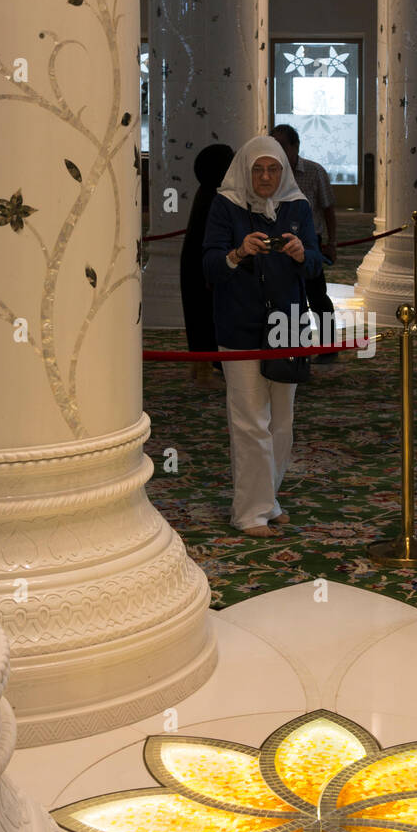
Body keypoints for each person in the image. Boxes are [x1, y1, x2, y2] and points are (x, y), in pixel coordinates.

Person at [202, 136, 324, 536]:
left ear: (283, 171)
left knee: (282, 421)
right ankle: (249, 512)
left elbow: (316, 266)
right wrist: (237, 254)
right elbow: (209, 266)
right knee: (251, 420)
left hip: (286, 325)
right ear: (245, 170)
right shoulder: (226, 205)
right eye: (258, 169)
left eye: (272, 169)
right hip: (239, 326)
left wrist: (302, 254)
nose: (266, 177)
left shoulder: (297, 206)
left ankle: (268, 499)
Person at [269, 125, 339, 362]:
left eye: (282, 145)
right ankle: (294, 348)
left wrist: (332, 243)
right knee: (286, 298)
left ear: (295, 146)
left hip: (310, 243)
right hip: (278, 245)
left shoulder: (314, 171)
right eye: (273, 144)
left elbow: (329, 210)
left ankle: (329, 347)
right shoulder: (269, 173)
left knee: (317, 296)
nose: (276, 150)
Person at [179, 143, 234, 384]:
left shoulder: (206, 193)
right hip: (205, 269)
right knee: (208, 316)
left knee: (198, 316)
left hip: (195, 266)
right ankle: (214, 365)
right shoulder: (217, 198)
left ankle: (204, 366)